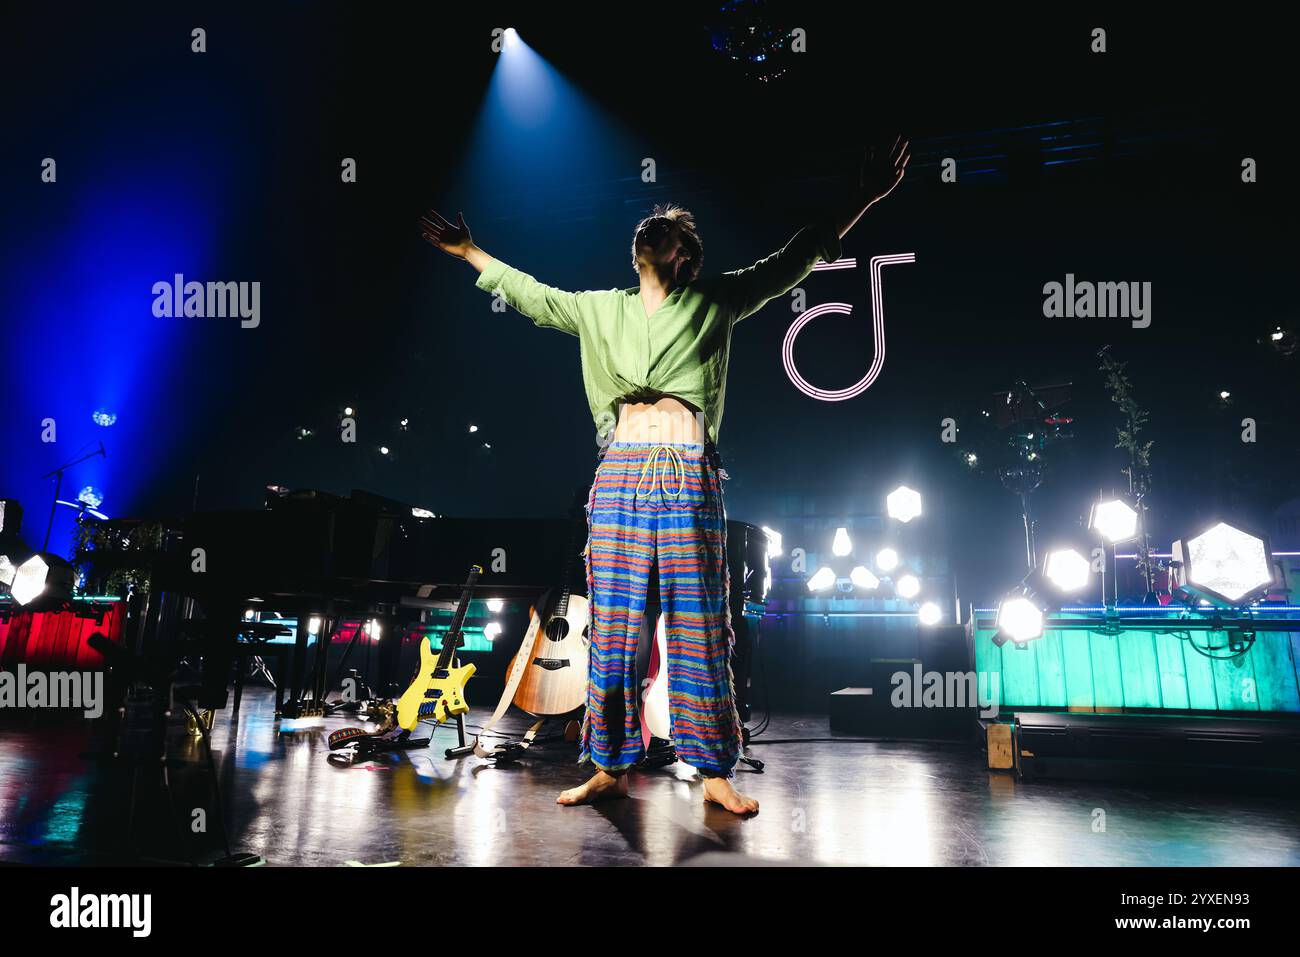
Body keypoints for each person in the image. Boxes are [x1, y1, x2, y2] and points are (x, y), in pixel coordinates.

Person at [421, 136, 910, 814]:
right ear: (637, 250)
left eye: (673, 229)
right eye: (649, 226)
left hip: (685, 477)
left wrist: (865, 195)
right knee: (615, 628)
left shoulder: (718, 300)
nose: (657, 230)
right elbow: (529, 293)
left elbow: (798, 256)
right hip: (620, 478)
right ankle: (610, 763)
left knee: (699, 624)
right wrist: (470, 252)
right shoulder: (600, 308)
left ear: (685, 254)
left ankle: (711, 769)